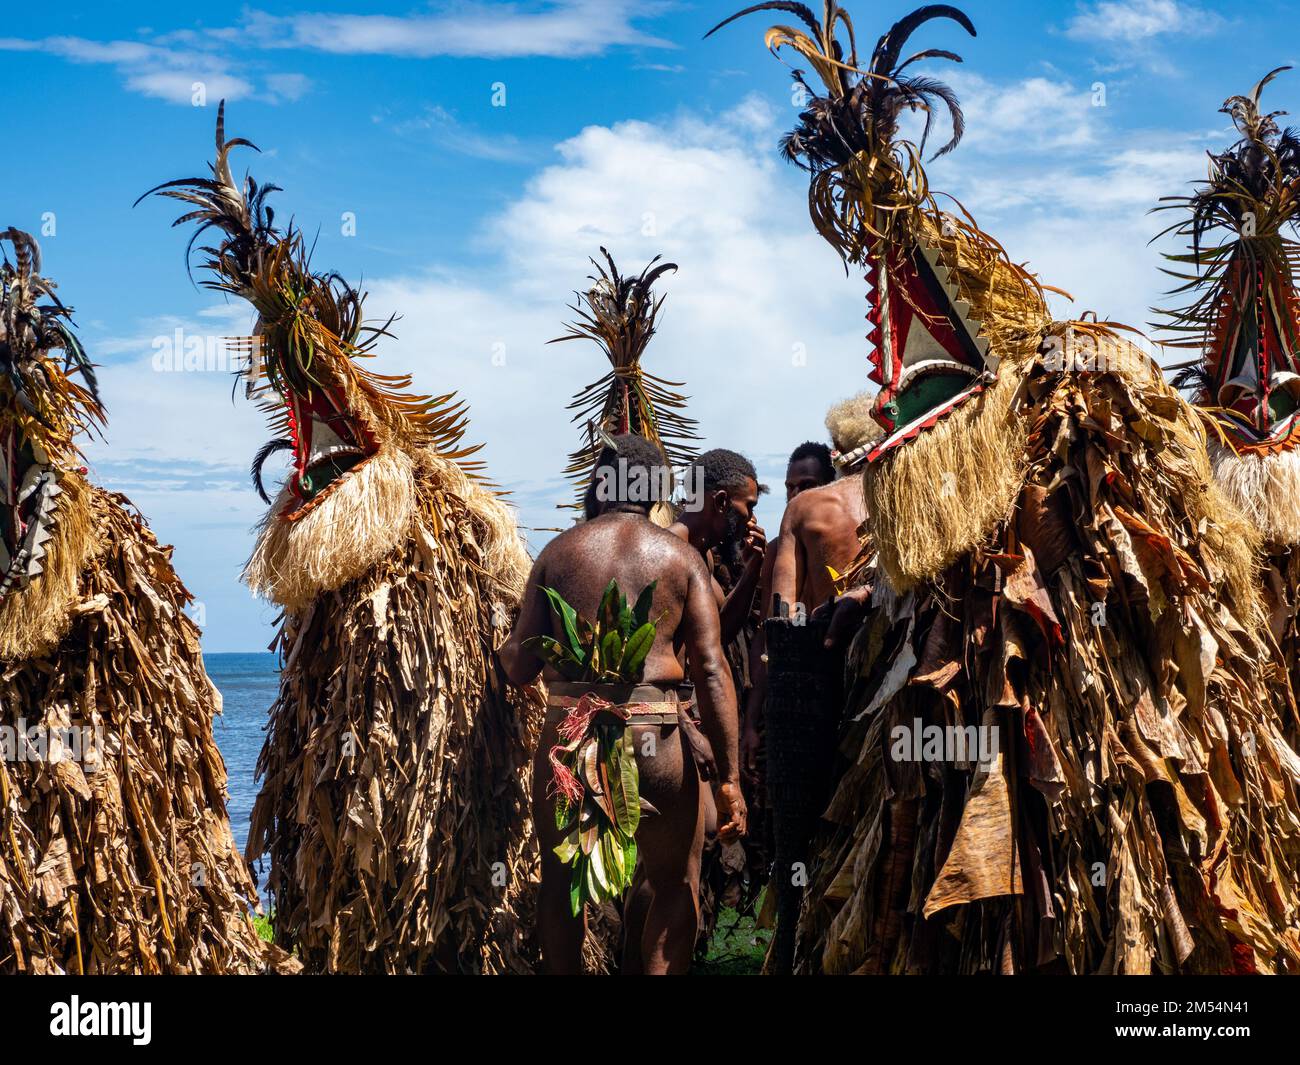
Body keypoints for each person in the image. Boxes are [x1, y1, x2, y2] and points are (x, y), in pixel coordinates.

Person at [500, 434, 746, 975]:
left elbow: (520, 668)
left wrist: (503, 642)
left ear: (598, 483)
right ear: (658, 491)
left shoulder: (558, 553)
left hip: (571, 739)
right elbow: (710, 667)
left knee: (562, 881)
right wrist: (730, 779)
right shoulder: (679, 558)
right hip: (656, 738)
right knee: (672, 885)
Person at [769, 393, 876, 617]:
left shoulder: (802, 508)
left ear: (837, 446)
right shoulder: (906, 499)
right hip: (905, 646)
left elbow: (783, 613)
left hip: (825, 646)